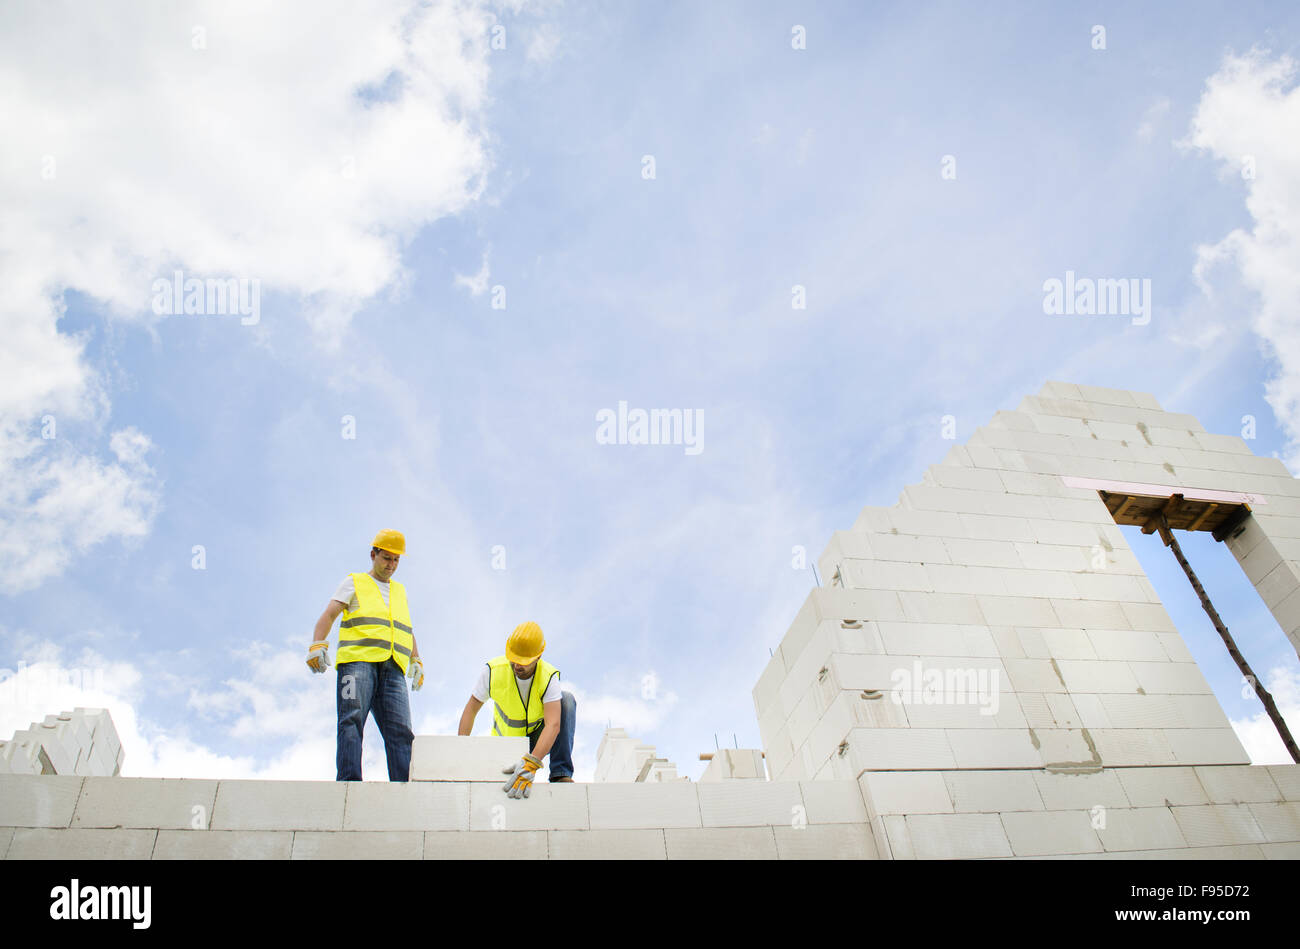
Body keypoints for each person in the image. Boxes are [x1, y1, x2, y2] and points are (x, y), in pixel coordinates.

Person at [306, 529, 424, 781]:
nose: (391, 565)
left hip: (393, 668)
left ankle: (405, 786)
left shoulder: (399, 591)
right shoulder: (355, 581)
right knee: (351, 719)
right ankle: (349, 783)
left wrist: (417, 659)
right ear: (373, 554)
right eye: (386, 558)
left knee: (401, 731)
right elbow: (329, 614)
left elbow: (405, 627)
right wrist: (317, 644)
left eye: (396, 560)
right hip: (357, 664)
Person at [457, 621, 576, 797]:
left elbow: (553, 725)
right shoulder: (493, 671)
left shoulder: (548, 677)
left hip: (536, 742)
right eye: (514, 659)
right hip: (504, 742)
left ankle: (560, 774)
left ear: (538, 656)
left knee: (566, 700)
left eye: (523, 662)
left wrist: (532, 763)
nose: (517, 665)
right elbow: (471, 710)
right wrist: (460, 751)